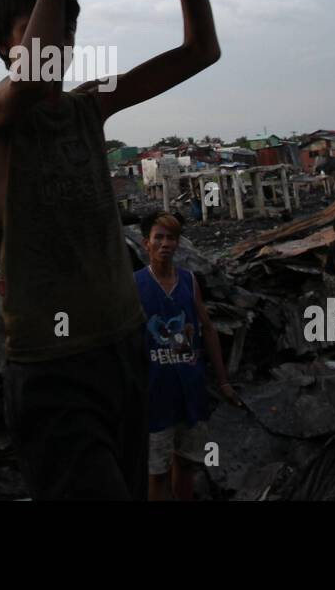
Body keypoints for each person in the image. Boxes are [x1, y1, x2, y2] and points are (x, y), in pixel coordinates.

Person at [0, 0, 221, 500]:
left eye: (68, 30)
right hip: (52, 365)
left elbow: (200, 50)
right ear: (10, 45)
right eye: (39, 28)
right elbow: (29, 80)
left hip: (124, 347)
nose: (60, 42)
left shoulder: (90, 106)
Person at [135, 212, 240, 501]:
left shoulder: (188, 281)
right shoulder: (136, 285)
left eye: (171, 238)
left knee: (186, 464)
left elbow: (207, 329)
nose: (165, 243)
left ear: (178, 243)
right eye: (159, 237)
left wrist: (223, 381)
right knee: (156, 472)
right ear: (146, 243)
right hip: (155, 395)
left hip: (189, 393)